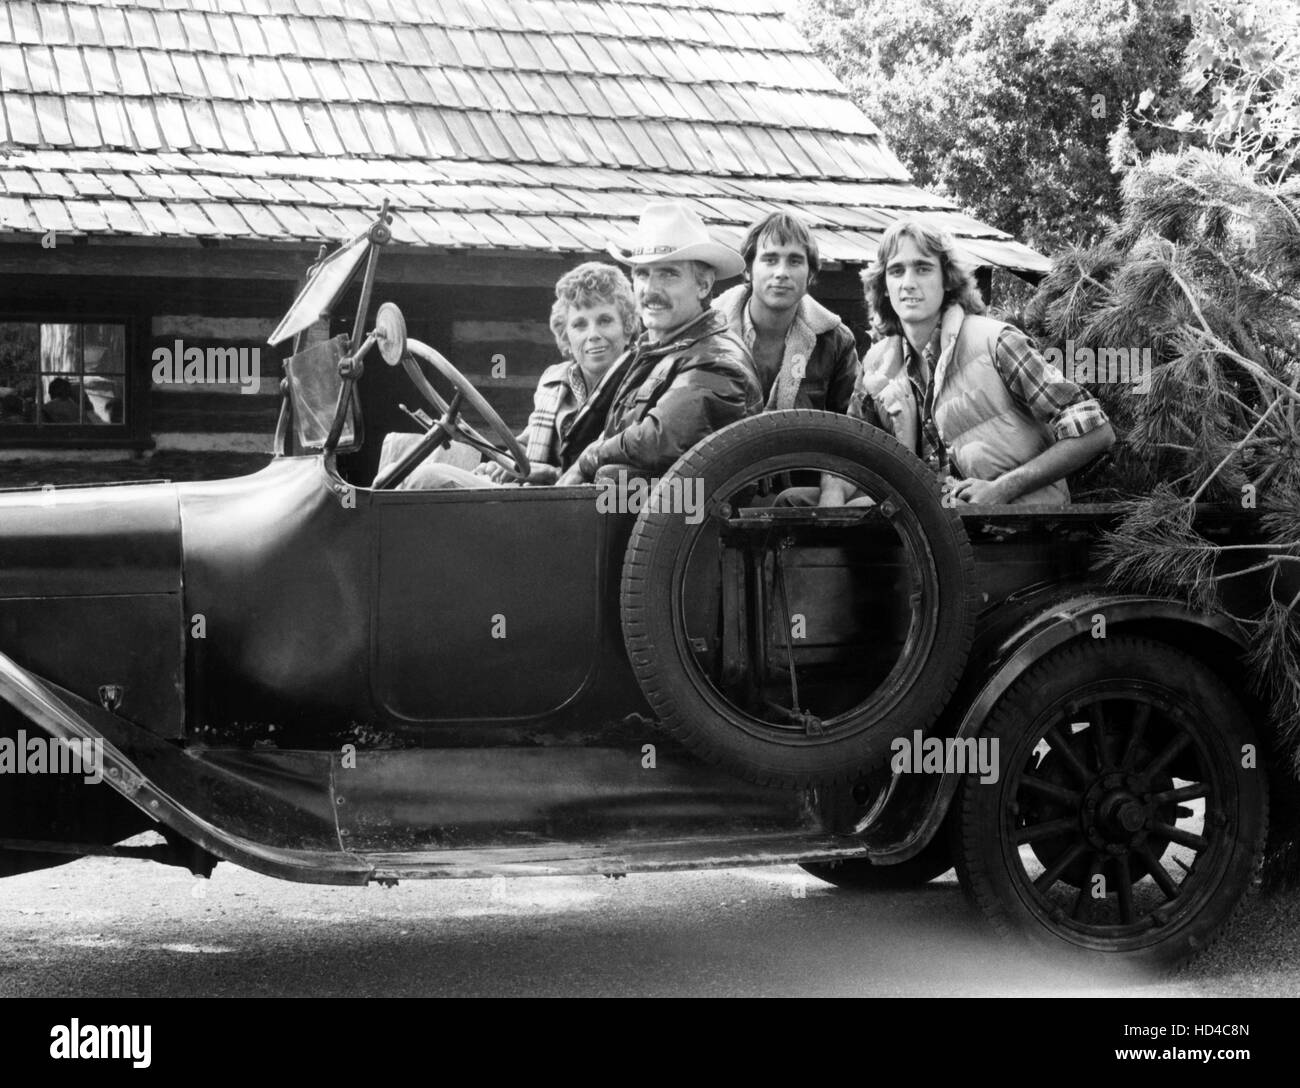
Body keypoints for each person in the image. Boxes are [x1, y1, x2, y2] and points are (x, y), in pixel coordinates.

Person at [819, 217, 1115, 506]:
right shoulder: (876, 364)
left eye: (923, 269)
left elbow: (1096, 431)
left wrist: (1002, 489)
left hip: (1017, 529)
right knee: (793, 502)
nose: (908, 283)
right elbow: (848, 452)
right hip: (935, 529)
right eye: (896, 271)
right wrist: (830, 506)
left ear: (947, 279)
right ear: (883, 285)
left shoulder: (996, 341)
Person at [556, 202, 760, 484]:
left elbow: (659, 438)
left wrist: (590, 458)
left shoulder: (717, 361)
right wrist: (556, 473)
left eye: (668, 274)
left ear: (703, 285)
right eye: (642, 274)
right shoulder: (660, 352)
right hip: (635, 510)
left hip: (690, 520)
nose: (651, 290)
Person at [395, 261, 636, 489]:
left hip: (578, 507)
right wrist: (502, 463)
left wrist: (549, 473)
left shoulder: (637, 383)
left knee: (430, 478)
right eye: (580, 325)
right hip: (526, 493)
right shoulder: (555, 381)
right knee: (401, 461)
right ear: (566, 337)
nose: (593, 334)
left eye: (605, 321)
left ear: (627, 328)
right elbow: (525, 445)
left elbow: (616, 465)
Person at [714, 211, 858, 413]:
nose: (781, 273)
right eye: (770, 260)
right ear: (748, 270)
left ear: (811, 273)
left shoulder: (835, 342)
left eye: (795, 261)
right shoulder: (708, 334)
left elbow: (854, 429)